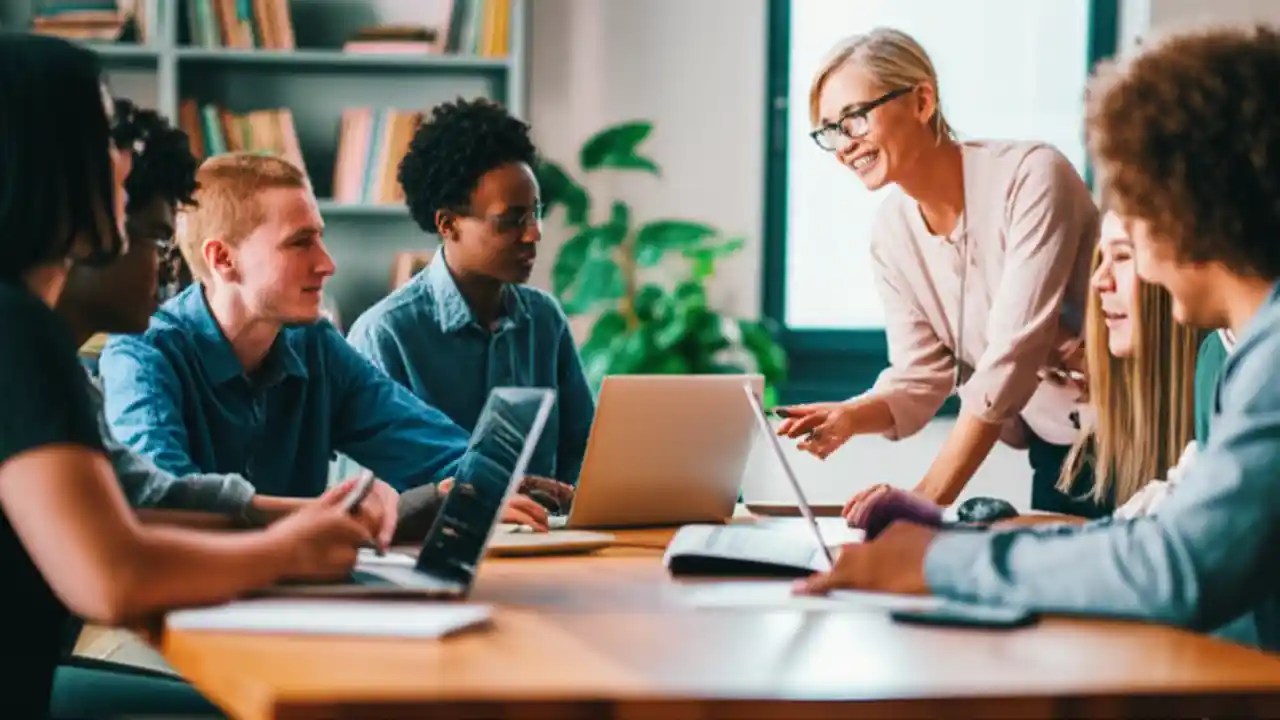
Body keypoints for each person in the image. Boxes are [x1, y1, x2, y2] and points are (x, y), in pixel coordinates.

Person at [795, 23, 1280, 652]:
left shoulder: (1256, 361)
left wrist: (933, 552)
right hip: (1061, 452)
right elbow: (1164, 539)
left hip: (1124, 434)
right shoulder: (1240, 354)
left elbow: (1180, 564)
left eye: (1138, 228)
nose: (1121, 278)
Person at [0, 33, 372, 717]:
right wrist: (286, 551)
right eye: (106, 131)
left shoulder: (29, 332)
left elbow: (136, 502)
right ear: (50, 159)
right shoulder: (18, 332)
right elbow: (112, 575)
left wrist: (303, 523)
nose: (125, 159)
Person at [97, 152, 551, 530]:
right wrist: (352, 515)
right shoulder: (141, 355)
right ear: (223, 258)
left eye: (321, 238)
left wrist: (500, 486)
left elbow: (426, 444)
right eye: (300, 243)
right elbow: (165, 506)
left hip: (296, 602)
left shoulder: (314, 344)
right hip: (179, 619)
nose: (327, 263)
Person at [775, 28, 1102, 521]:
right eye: (830, 132)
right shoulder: (892, 233)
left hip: (1135, 429)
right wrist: (852, 416)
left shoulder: (1032, 176)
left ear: (922, 100)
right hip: (1058, 448)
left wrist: (923, 499)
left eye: (855, 119)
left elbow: (1012, 356)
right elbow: (921, 374)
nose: (845, 145)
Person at [347, 97, 593, 493]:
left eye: (535, 213)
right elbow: (372, 492)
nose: (534, 234)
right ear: (448, 224)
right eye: (512, 220)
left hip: (548, 545)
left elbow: (581, 452)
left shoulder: (544, 320)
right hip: (431, 546)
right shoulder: (385, 334)